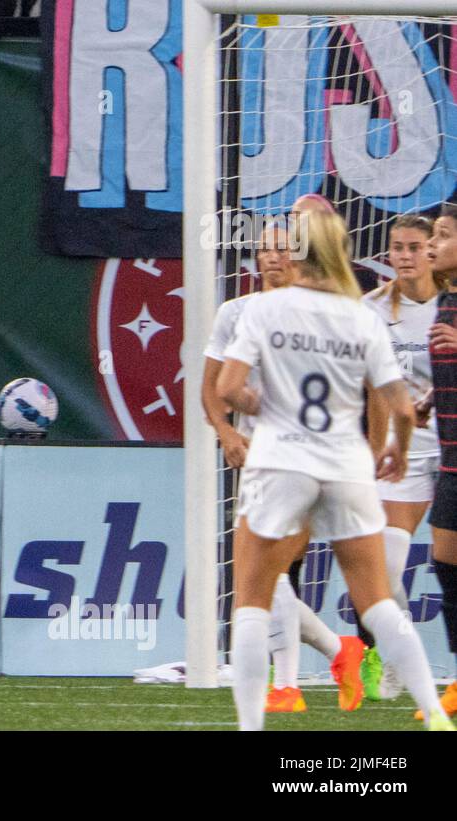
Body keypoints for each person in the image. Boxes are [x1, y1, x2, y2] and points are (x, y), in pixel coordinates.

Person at [217, 208, 452, 731]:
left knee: (252, 602)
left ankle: (252, 726)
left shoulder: (266, 309)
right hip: (345, 462)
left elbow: (228, 390)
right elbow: (398, 403)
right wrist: (394, 448)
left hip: (282, 462)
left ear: (295, 254)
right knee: (378, 603)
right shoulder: (362, 315)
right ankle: (433, 712)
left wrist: (266, 405)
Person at [202, 222, 360, 714]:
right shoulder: (235, 313)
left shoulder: (323, 311)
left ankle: (288, 686)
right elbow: (211, 387)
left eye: (283, 248)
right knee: (266, 574)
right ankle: (340, 651)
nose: (272, 257)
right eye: (264, 249)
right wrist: (227, 433)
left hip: (307, 455)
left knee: (269, 571)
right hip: (256, 458)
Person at [360, 214, 443, 702]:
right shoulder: (372, 309)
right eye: (397, 247)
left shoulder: (450, 306)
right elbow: (372, 386)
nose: (406, 256)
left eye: (415, 246)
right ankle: (397, 656)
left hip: (449, 447)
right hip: (402, 452)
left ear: (432, 251)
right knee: (386, 567)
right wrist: (375, 447)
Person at [419, 203, 457, 718]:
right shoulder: (445, 301)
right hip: (450, 456)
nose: (432, 244)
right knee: (445, 561)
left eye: (444, 235)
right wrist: (428, 398)